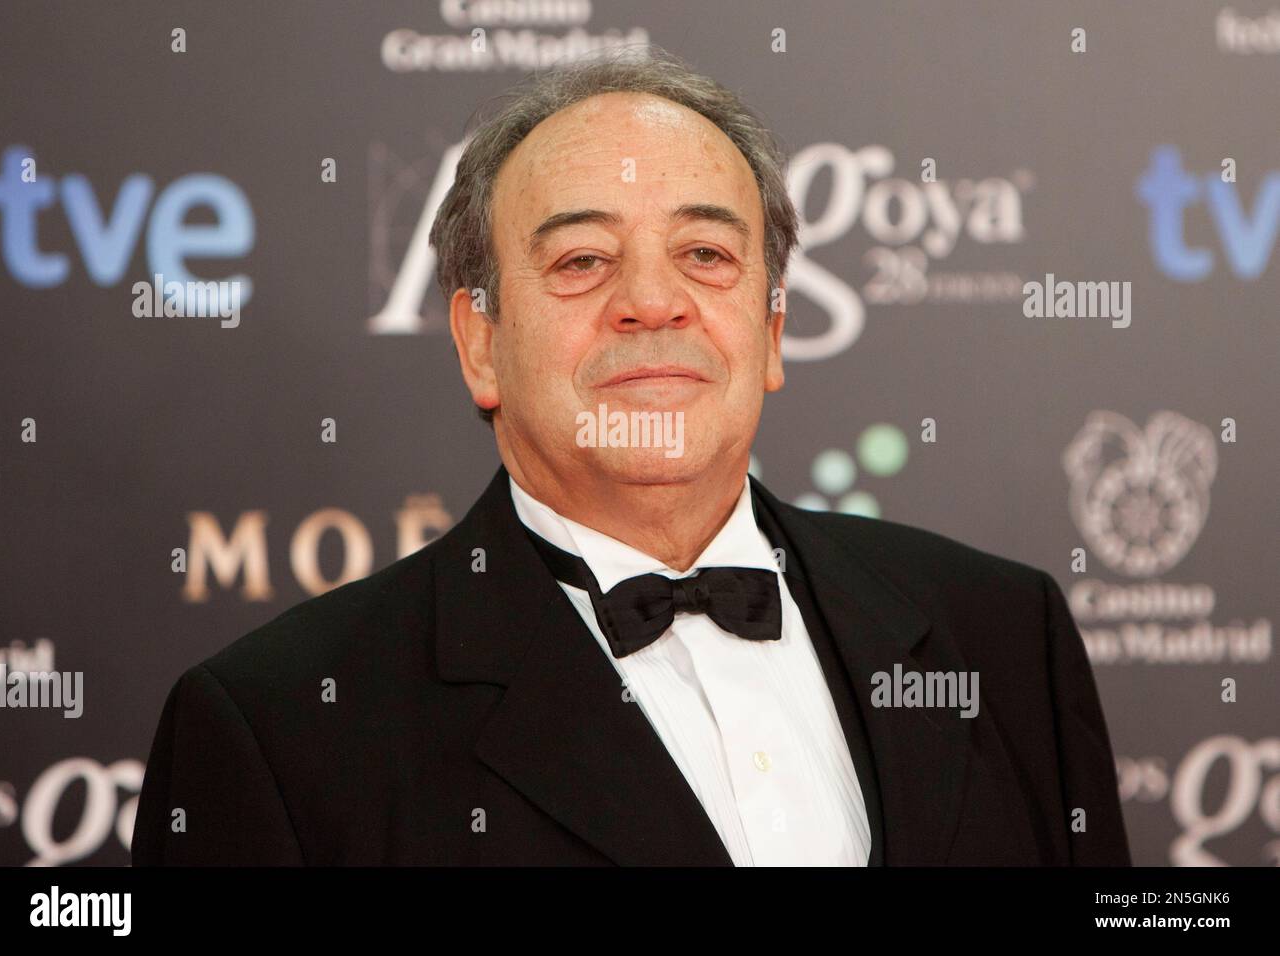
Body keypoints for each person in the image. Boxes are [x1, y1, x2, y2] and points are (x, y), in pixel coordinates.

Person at [132, 47, 1131, 866]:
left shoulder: (1002, 636)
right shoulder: (279, 728)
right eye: (581, 260)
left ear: (773, 327)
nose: (652, 301)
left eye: (706, 253)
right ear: (480, 340)